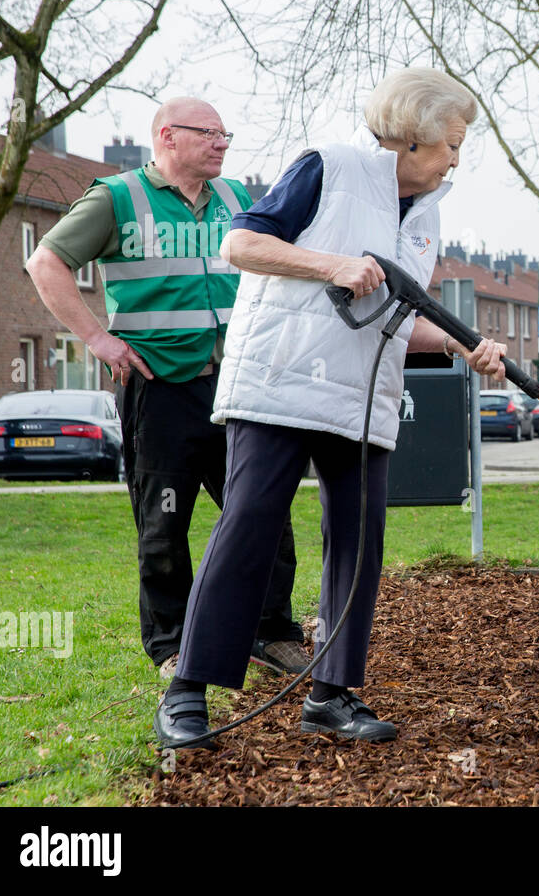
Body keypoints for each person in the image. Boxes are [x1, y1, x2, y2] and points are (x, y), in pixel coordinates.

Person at [152, 67, 507, 748]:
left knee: (359, 539)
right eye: (453, 144)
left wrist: (466, 345)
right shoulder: (330, 165)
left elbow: (398, 315)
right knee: (250, 522)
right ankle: (188, 689)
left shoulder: (427, 212)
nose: (458, 159)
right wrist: (331, 265)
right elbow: (241, 244)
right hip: (282, 376)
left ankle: (332, 695)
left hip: (363, 391)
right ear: (412, 137)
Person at [24, 97, 306, 680]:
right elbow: (45, 261)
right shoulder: (117, 198)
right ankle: (172, 645)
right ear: (168, 136)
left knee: (266, 514)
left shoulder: (238, 201)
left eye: (225, 132)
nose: (223, 143)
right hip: (161, 391)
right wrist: (97, 340)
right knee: (164, 524)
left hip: (237, 386)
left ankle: (271, 631)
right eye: (210, 132)